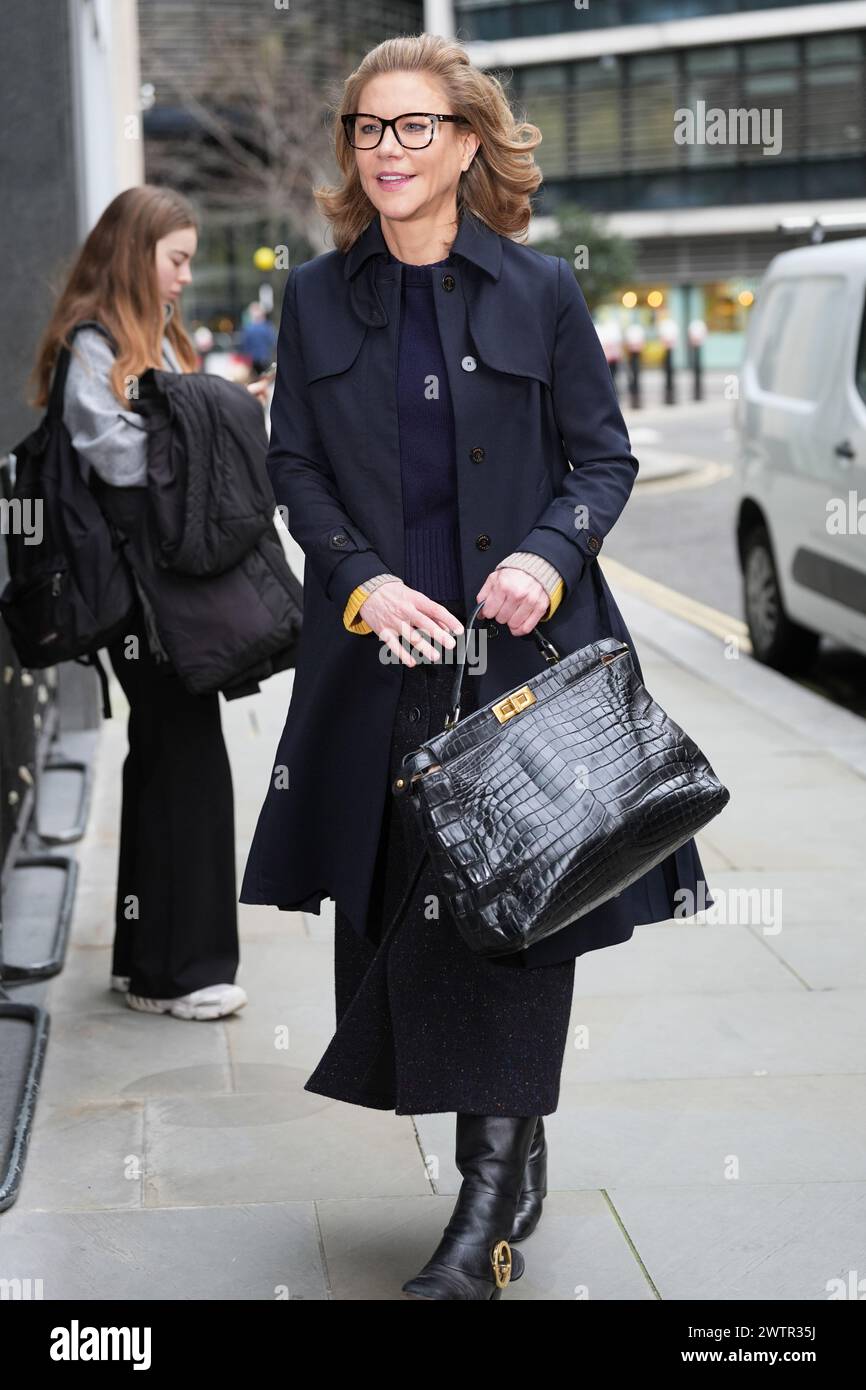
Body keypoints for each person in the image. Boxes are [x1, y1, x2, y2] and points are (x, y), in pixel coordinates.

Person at [240, 34, 715, 1299]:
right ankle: (513, 1146)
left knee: (515, 924)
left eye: (412, 127)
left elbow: (600, 459)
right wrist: (358, 577)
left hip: (527, 667)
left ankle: (486, 1214)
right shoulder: (317, 296)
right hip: (383, 672)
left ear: (464, 142)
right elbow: (294, 466)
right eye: (366, 128)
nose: (385, 150)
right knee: (417, 924)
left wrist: (549, 558)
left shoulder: (540, 290)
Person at [29, 186, 272, 1021]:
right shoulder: (91, 344)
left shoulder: (144, 341)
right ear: (137, 255)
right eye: (176, 260)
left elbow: (167, 442)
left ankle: (150, 965)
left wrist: (224, 408)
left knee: (169, 755)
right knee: (187, 758)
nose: (184, 277)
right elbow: (128, 462)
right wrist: (224, 413)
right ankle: (185, 972)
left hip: (154, 592)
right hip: (138, 599)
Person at [240, 302, 278, 377]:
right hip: (265, 359)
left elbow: (244, 346)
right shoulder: (268, 327)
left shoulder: (248, 329)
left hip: (252, 361)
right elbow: (274, 343)